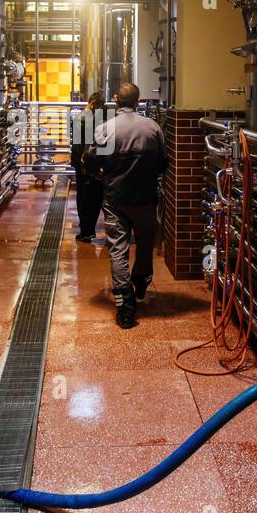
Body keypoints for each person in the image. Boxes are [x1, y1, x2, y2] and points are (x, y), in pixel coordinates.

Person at [85, 82, 167, 329]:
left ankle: (126, 307)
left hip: (115, 199)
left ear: (116, 101)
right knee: (144, 244)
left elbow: (90, 160)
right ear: (138, 102)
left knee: (118, 249)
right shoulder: (152, 128)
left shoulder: (105, 129)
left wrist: (101, 175)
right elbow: (164, 162)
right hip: (146, 198)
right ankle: (141, 281)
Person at [70, 92, 105, 242]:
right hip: (93, 164)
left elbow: (78, 146)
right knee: (93, 196)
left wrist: (78, 163)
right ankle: (88, 229)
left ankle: (86, 229)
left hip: (84, 164)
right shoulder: (96, 119)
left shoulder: (81, 117)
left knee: (84, 196)